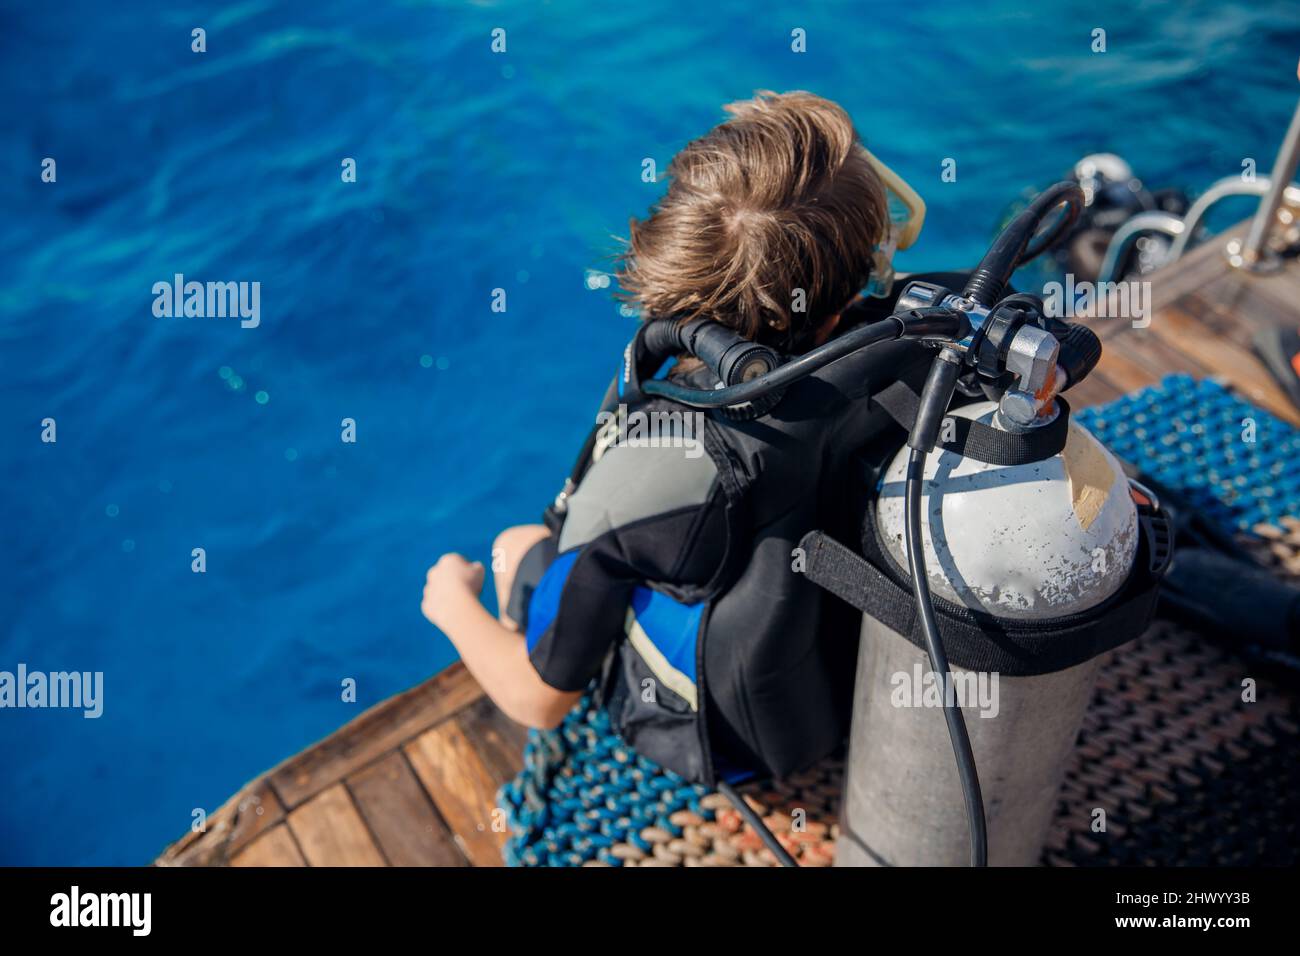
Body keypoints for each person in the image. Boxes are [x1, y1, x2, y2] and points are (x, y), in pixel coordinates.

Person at [421, 90, 928, 783]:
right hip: (866, 669)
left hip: (743, 741)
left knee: (514, 551)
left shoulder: (663, 471)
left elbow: (538, 701)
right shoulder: (922, 342)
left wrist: (450, 604)